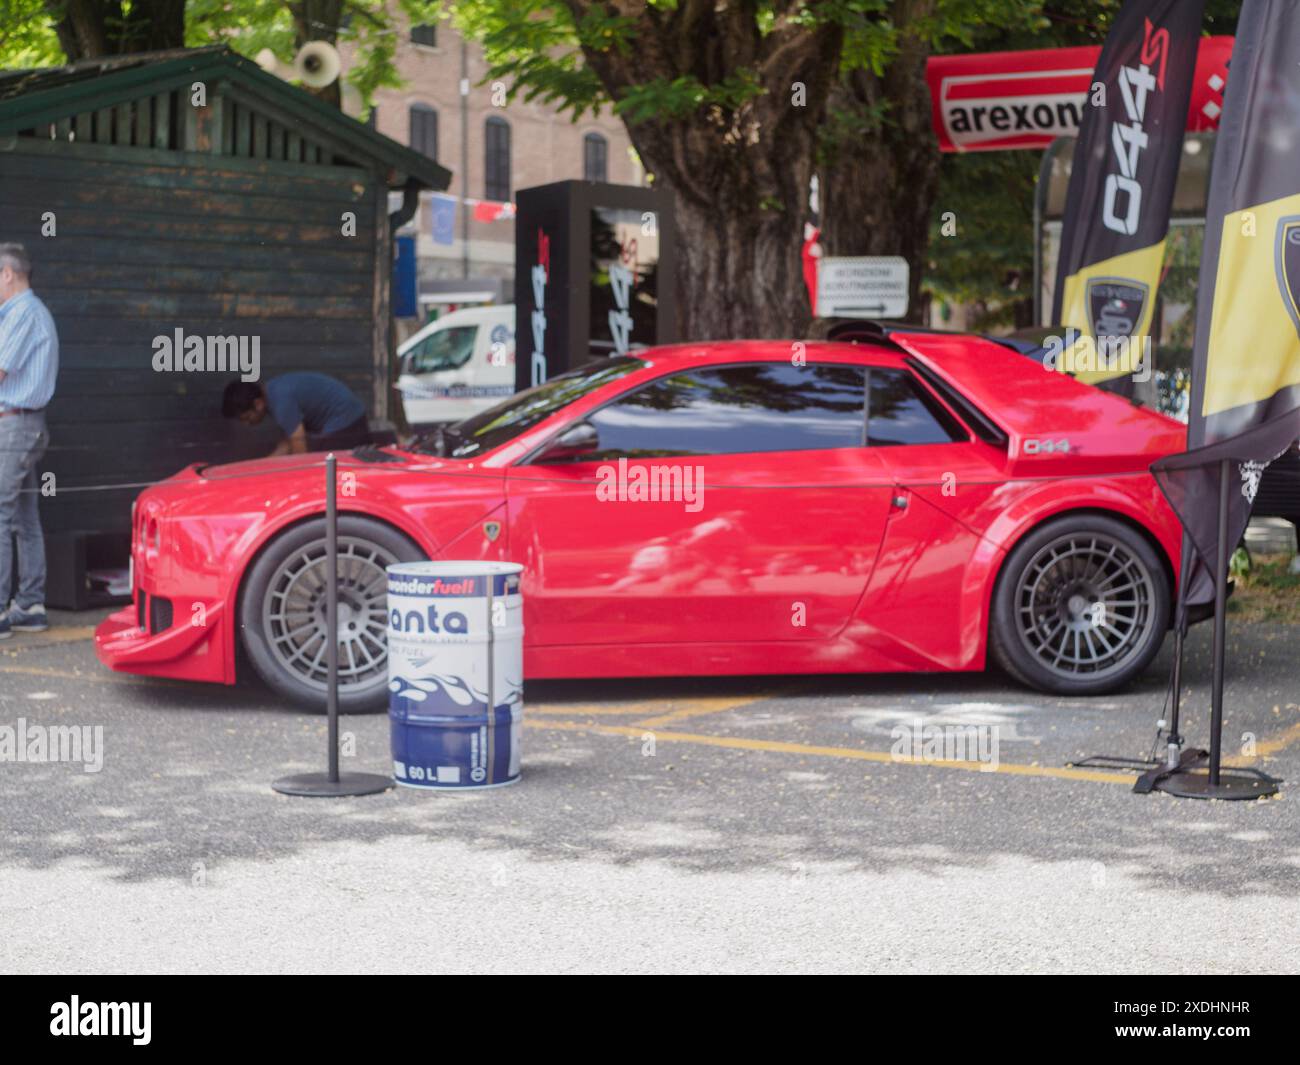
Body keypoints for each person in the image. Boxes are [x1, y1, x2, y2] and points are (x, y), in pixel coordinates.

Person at [0, 243, 57, 639]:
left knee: (2, 517)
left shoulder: (24, 313)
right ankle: (31, 606)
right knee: (23, 518)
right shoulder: (24, 313)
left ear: (7, 274)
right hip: (24, 425)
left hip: (14, 426)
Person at [222, 372, 369, 456]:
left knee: (321, 467)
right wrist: (262, 465)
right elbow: (288, 444)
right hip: (349, 418)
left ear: (258, 404)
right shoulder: (273, 392)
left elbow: (299, 448)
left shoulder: (280, 402)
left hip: (347, 423)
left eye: (247, 418)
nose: (248, 424)